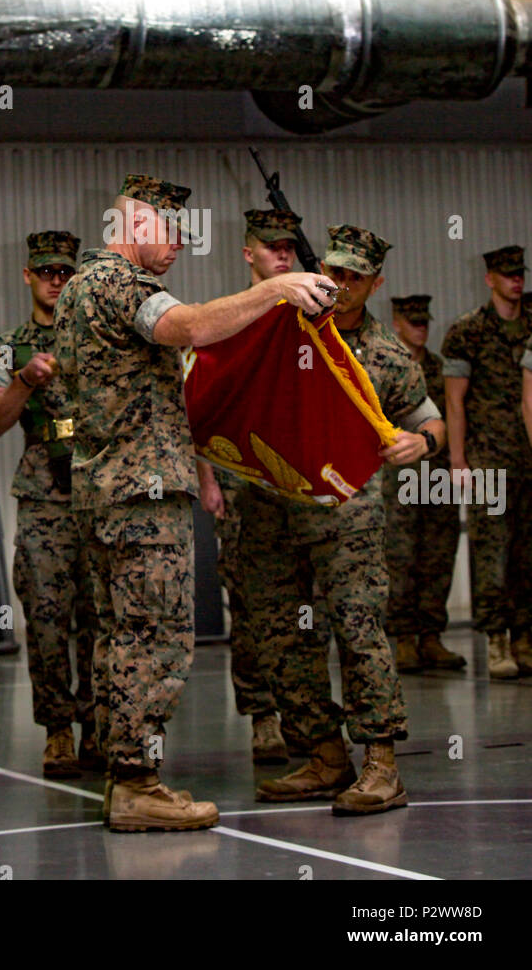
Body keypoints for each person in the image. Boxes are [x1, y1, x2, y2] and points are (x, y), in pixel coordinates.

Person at [53, 173, 336, 832]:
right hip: (139, 493)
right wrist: (271, 289)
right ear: (134, 224)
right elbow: (186, 327)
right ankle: (135, 784)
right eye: (170, 227)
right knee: (155, 636)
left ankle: (127, 774)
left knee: (120, 637)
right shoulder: (121, 285)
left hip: (108, 488)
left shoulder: (76, 288)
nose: (180, 240)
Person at [247, 225, 445, 816]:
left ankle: (381, 762)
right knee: (281, 636)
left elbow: (430, 421)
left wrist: (421, 445)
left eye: (355, 275)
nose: (341, 282)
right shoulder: (281, 327)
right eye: (334, 270)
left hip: (347, 516)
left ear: (375, 284)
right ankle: (324, 754)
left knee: (359, 632)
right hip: (271, 509)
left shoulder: (388, 355)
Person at [0, 230, 102, 778]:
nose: (55, 281)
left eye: (63, 273)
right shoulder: (10, 346)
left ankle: (99, 726)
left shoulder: (97, 337)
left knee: (100, 618)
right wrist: (25, 382)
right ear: (28, 276)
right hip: (42, 497)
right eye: (46, 272)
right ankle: (57, 731)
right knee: (48, 618)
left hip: (98, 491)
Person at [208, 206, 325, 765]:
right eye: (270, 246)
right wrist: (208, 480)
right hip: (241, 482)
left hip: (301, 481)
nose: (282, 254)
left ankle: (310, 714)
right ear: (248, 253)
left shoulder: (315, 314)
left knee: (311, 603)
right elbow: (201, 407)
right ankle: (262, 715)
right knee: (251, 604)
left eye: (288, 247)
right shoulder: (230, 317)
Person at [442, 245, 532, 679]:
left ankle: (525, 635)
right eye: (507, 275)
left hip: (529, 460)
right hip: (488, 462)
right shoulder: (468, 332)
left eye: (520, 274)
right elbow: (454, 403)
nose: (516, 281)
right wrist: (458, 461)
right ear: (490, 279)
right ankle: (497, 640)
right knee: (493, 553)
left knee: (527, 552)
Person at [384, 295, 463, 672]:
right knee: (400, 559)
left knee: (438, 555)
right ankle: (402, 638)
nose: (420, 328)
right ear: (398, 323)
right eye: (413, 322)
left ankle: (432, 636)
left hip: (438, 475)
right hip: (397, 480)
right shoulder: (388, 365)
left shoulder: (438, 367)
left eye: (424, 322)